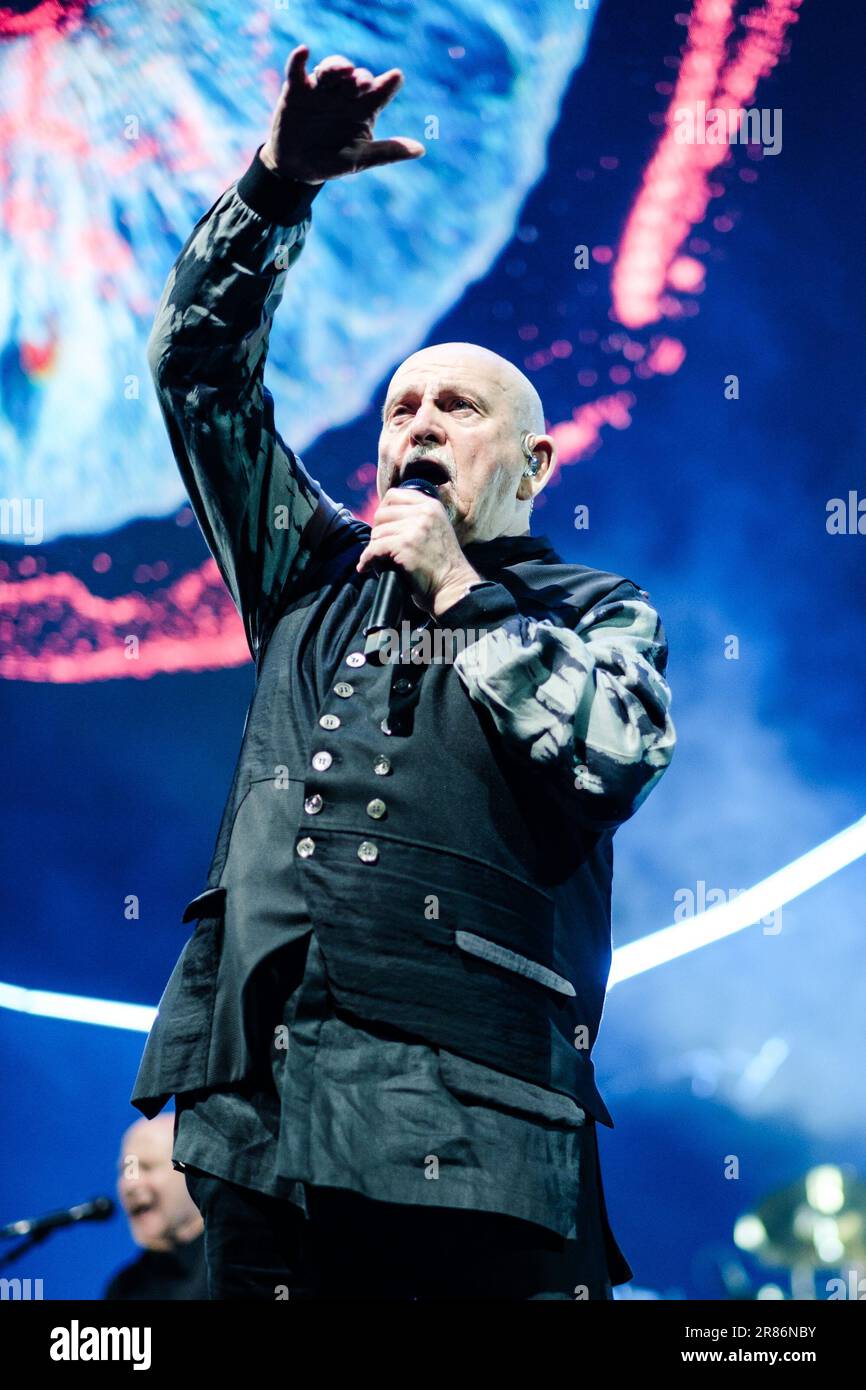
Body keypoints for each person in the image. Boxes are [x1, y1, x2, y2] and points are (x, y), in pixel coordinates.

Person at [130, 44, 677, 1300]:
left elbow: (614, 753)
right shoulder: (307, 575)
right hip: (258, 1109)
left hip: (473, 1118)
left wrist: (456, 588)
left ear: (532, 465)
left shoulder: (596, 608)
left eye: (457, 409)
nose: (418, 423)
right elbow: (197, 377)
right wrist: (276, 188)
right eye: (400, 407)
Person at [104, 1114, 207, 1300]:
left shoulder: (243, 1262)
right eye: (124, 1171)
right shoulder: (124, 1289)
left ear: (192, 1170)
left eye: (147, 1167)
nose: (130, 1185)